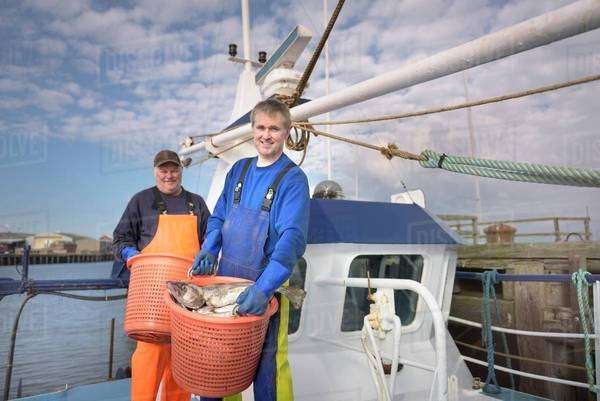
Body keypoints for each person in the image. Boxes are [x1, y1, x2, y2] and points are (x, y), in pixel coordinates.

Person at [190, 98, 310, 401]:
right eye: (260, 127)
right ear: (252, 130)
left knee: (265, 374)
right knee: (217, 369)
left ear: (286, 132)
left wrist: (264, 288)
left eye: (274, 128)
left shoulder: (292, 179)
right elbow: (218, 217)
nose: (266, 135)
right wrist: (208, 249)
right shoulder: (238, 171)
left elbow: (292, 240)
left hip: (262, 294)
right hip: (223, 291)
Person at [113, 149, 210, 401]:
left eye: (174, 169)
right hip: (150, 301)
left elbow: (210, 241)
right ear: (155, 171)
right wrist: (131, 254)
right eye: (163, 170)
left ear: (181, 170)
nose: (169, 175)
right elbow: (120, 238)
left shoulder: (196, 203)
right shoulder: (140, 201)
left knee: (181, 366)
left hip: (187, 300)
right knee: (149, 359)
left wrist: (208, 257)